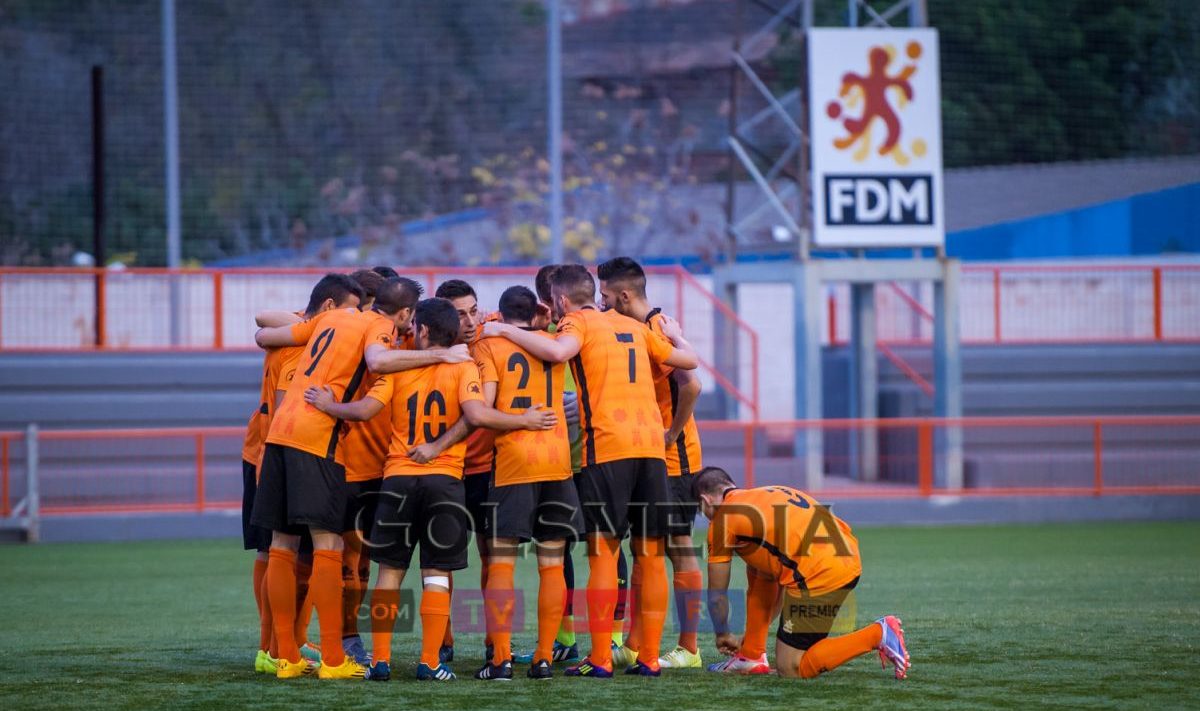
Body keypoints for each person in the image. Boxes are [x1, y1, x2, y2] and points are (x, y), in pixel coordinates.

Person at [303, 297, 557, 682]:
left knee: (389, 572)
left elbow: (365, 410)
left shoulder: (399, 370)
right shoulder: (465, 367)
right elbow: (475, 416)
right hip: (445, 480)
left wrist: (329, 405)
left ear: (421, 330)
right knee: (436, 573)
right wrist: (523, 420)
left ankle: (381, 662)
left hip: (398, 478)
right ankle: (430, 662)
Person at [481, 264, 697, 677]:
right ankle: (649, 658)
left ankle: (600, 658)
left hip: (609, 448)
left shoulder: (577, 322)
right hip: (652, 448)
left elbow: (558, 352)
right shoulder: (632, 325)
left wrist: (504, 331)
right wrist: (675, 334)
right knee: (650, 555)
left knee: (603, 553)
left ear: (561, 301)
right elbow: (690, 361)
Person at [250, 282, 468, 679]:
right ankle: (334, 659)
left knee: (282, 545)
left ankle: (286, 656)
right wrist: (441, 354)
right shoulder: (381, 330)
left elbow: (264, 335)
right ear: (404, 315)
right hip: (319, 438)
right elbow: (379, 363)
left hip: (280, 432)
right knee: (329, 546)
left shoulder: (330, 317)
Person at [242, 273, 362, 675]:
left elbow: (262, 323)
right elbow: (285, 403)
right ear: (331, 309)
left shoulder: (298, 334)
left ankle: (281, 648)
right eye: (354, 309)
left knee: (277, 547)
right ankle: (280, 646)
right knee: (309, 550)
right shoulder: (306, 346)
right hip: (291, 449)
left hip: (266, 446)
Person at [693, 467, 911, 679]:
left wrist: (722, 634)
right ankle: (751, 655)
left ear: (706, 501)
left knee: (791, 668)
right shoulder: (763, 494)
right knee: (760, 571)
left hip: (820, 573)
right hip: (846, 556)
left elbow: (717, 594)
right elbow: (770, 581)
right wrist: (749, 639)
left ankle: (878, 634)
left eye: (701, 511)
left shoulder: (723, 521)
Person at [596, 257, 706, 670]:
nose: (601, 301)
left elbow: (692, 385)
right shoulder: (640, 328)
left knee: (677, 546)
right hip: (649, 453)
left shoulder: (657, 327)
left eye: (604, 295)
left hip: (674, 456)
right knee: (647, 548)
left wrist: (673, 434)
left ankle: (690, 648)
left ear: (623, 295)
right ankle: (636, 642)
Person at [471, 286, 583, 681]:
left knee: (502, 563)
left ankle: (500, 659)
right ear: (536, 313)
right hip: (557, 464)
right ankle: (543, 659)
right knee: (552, 565)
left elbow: (482, 412)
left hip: (515, 463)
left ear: (500, 315)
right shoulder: (555, 342)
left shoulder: (490, 346)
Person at [335, 276, 424, 666]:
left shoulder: (401, 344)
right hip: (361, 464)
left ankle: (376, 650)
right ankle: (347, 638)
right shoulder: (371, 341)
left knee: (373, 563)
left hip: (388, 468)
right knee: (351, 562)